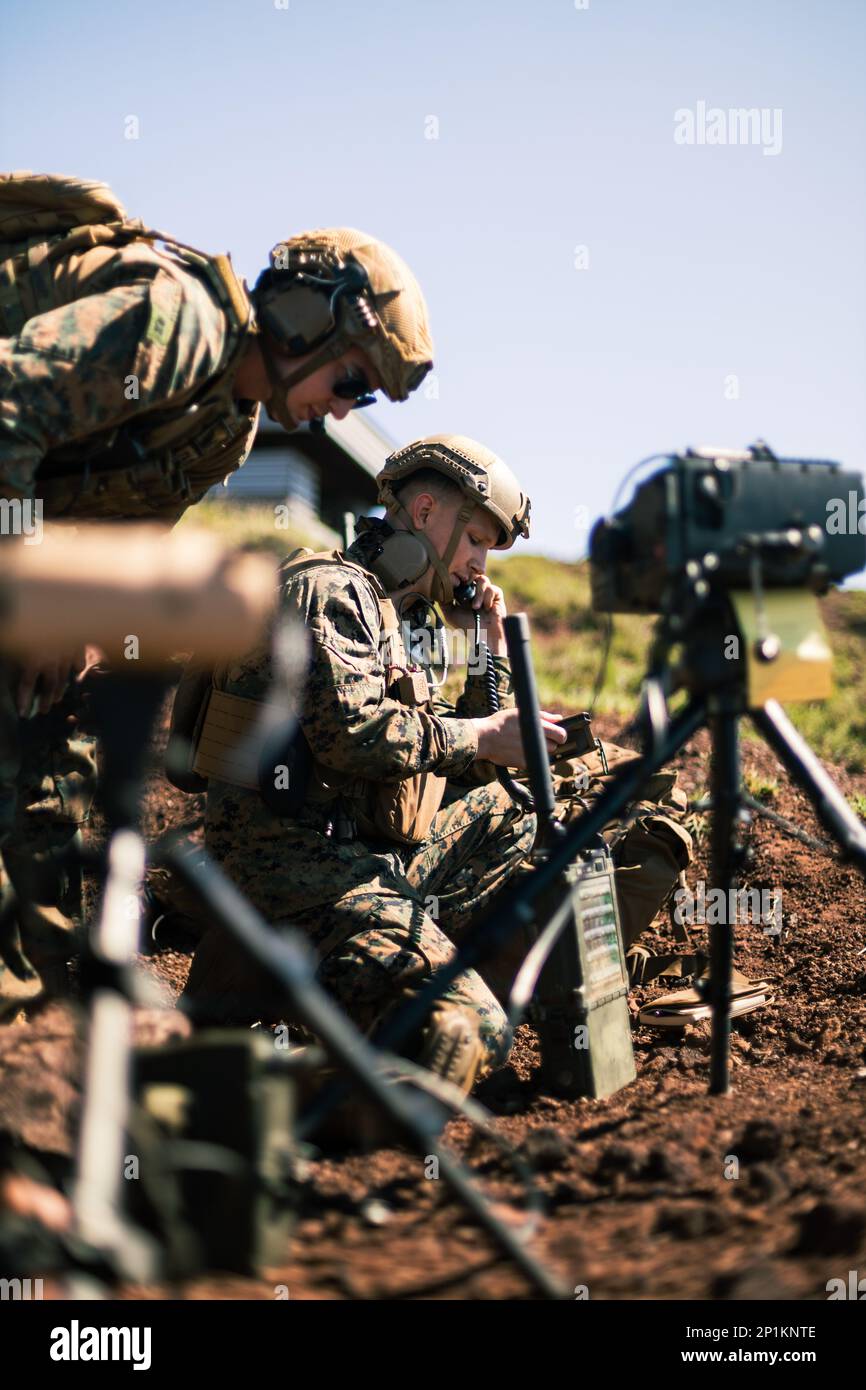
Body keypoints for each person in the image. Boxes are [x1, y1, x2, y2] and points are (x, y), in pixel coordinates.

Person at [0, 171, 434, 1013]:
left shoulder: (224, 430)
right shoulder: (178, 317)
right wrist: (35, 583)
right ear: (306, 322)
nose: (342, 412)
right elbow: (8, 411)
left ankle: (39, 1036)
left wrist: (85, 626)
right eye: (348, 381)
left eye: (364, 399)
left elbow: (128, 533)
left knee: (59, 769)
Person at [180, 434, 564, 1093]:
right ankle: (248, 1091)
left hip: (361, 851)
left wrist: (483, 652)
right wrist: (478, 736)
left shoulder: (396, 616)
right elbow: (352, 736)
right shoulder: (333, 592)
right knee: (474, 1029)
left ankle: (346, 977)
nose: (480, 564)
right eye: (474, 540)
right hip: (298, 869)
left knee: (521, 817)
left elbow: (459, 764)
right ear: (423, 512)